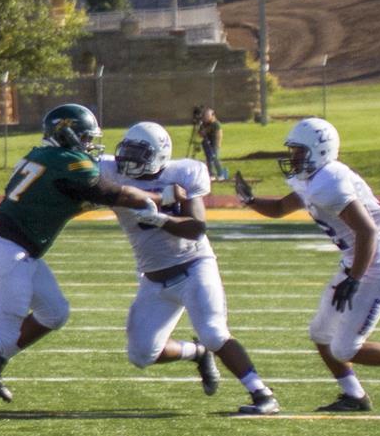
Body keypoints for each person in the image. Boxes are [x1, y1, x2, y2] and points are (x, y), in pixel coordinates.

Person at [235, 118, 380, 412]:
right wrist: (251, 200)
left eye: (299, 151)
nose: (293, 157)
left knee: (345, 348)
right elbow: (281, 208)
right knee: (320, 334)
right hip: (355, 263)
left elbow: (368, 231)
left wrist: (354, 279)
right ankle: (354, 395)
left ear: (319, 151)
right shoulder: (312, 179)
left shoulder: (329, 182)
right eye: (293, 150)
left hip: (378, 269)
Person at [0, 103, 173, 401]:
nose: (89, 144)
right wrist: (158, 195)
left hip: (17, 247)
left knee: (54, 312)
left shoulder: (42, 154)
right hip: (10, 248)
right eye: (86, 137)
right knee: (3, 331)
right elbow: (114, 193)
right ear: (68, 135)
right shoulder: (71, 163)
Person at [104, 122, 278, 415]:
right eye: (128, 151)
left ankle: (262, 394)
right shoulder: (109, 170)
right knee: (141, 354)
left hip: (194, 267)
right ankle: (197, 353)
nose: (129, 159)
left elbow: (197, 228)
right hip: (153, 279)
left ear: (159, 155)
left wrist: (160, 219)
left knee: (213, 332)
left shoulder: (184, 173)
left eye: (139, 153)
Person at [197, 107, 226, 181]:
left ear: (212, 116)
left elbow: (218, 135)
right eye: (205, 116)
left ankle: (220, 174)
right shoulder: (204, 124)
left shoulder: (216, 124)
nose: (205, 118)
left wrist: (204, 131)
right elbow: (200, 133)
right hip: (206, 143)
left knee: (215, 158)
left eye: (207, 116)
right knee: (208, 159)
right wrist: (202, 131)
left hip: (214, 144)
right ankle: (211, 174)